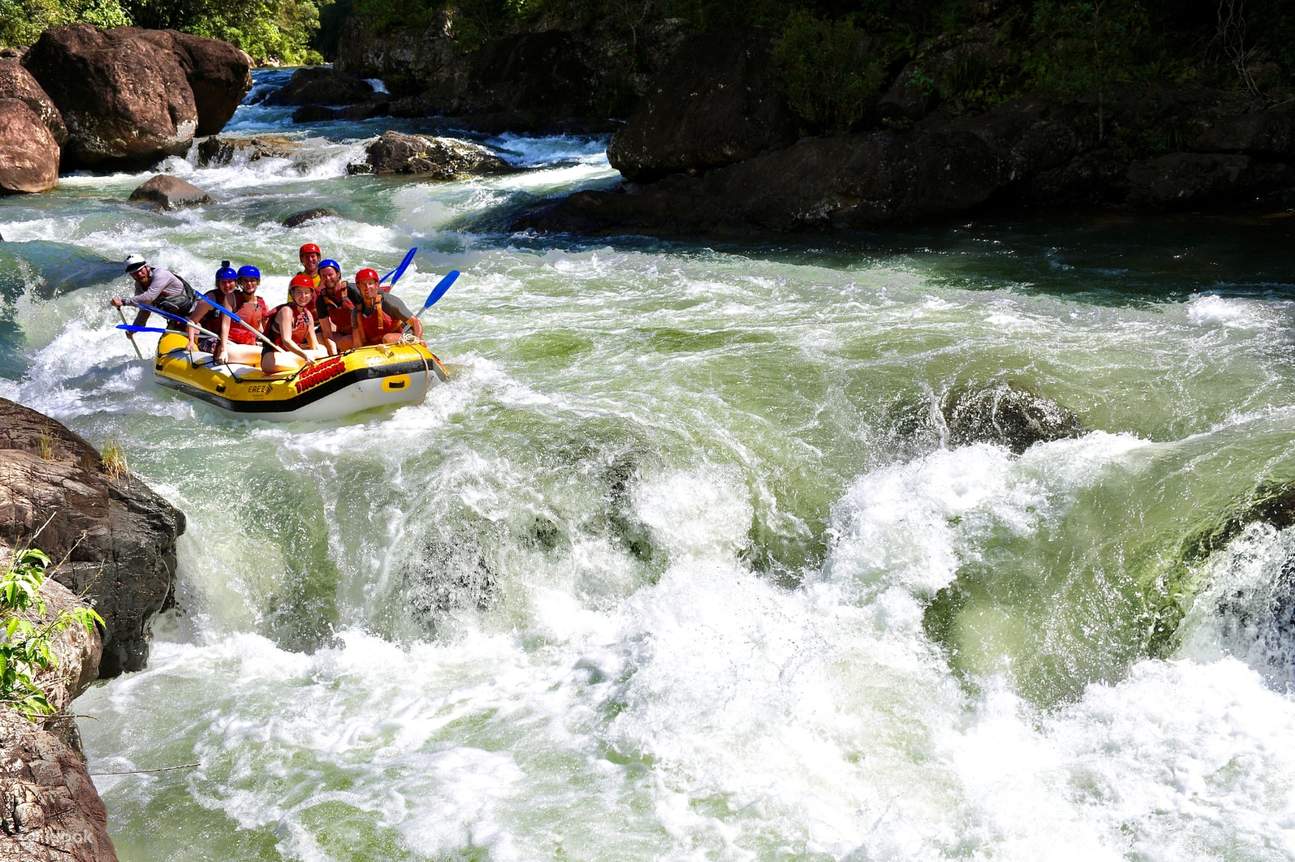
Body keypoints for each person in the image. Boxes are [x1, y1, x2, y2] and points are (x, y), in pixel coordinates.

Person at [110, 254, 200, 329]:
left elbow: (149, 298)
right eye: (134, 273)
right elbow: (144, 309)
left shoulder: (161, 274)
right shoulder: (139, 285)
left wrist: (123, 302)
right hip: (177, 320)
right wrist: (134, 329)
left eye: (140, 270)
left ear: (147, 267)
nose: (139, 274)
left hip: (195, 313)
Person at [262, 274, 322, 374]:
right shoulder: (286, 311)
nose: (303, 296)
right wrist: (305, 356)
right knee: (299, 360)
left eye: (306, 292)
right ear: (292, 294)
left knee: (322, 350)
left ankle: (304, 365)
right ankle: (303, 365)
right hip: (274, 356)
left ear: (311, 295)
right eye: (299, 292)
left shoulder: (308, 315)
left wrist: (320, 356)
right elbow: (286, 341)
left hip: (292, 355)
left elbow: (314, 344)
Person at [351, 267, 425, 348]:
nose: (367, 287)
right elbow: (357, 342)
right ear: (358, 287)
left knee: (387, 338)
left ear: (376, 285)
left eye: (370, 283)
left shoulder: (389, 302)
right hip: (379, 346)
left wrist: (418, 339)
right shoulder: (356, 312)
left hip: (399, 339)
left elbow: (415, 322)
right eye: (363, 284)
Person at [185, 263, 240, 359]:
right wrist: (191, 341)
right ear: (218, 284)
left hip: (228, 337)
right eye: (223, 282)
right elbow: (192, 322)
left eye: (230, 282)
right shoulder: (210, 300)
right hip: (208, 336)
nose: (227, 285)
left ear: (236, 283)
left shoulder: (238, 297)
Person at [314, 258, 357, 354]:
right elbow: (327, 333)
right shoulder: (321, 300)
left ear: (338, 274)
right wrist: (333, 356)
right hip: (343, 334)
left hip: (361, 333)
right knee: (318, 337)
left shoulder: (352, 290)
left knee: (347, 340)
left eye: (330, 275)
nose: (327, 278)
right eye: (324, 276)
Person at [227, 265, 270, 360]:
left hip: (250, 345)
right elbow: (224, 325)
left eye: (252, 280)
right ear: (240, 283)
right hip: (231, 343)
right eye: (245, 281)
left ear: (257, 282)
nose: (249, 283)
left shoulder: (261, 303)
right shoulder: (232, 298)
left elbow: (266, 328)